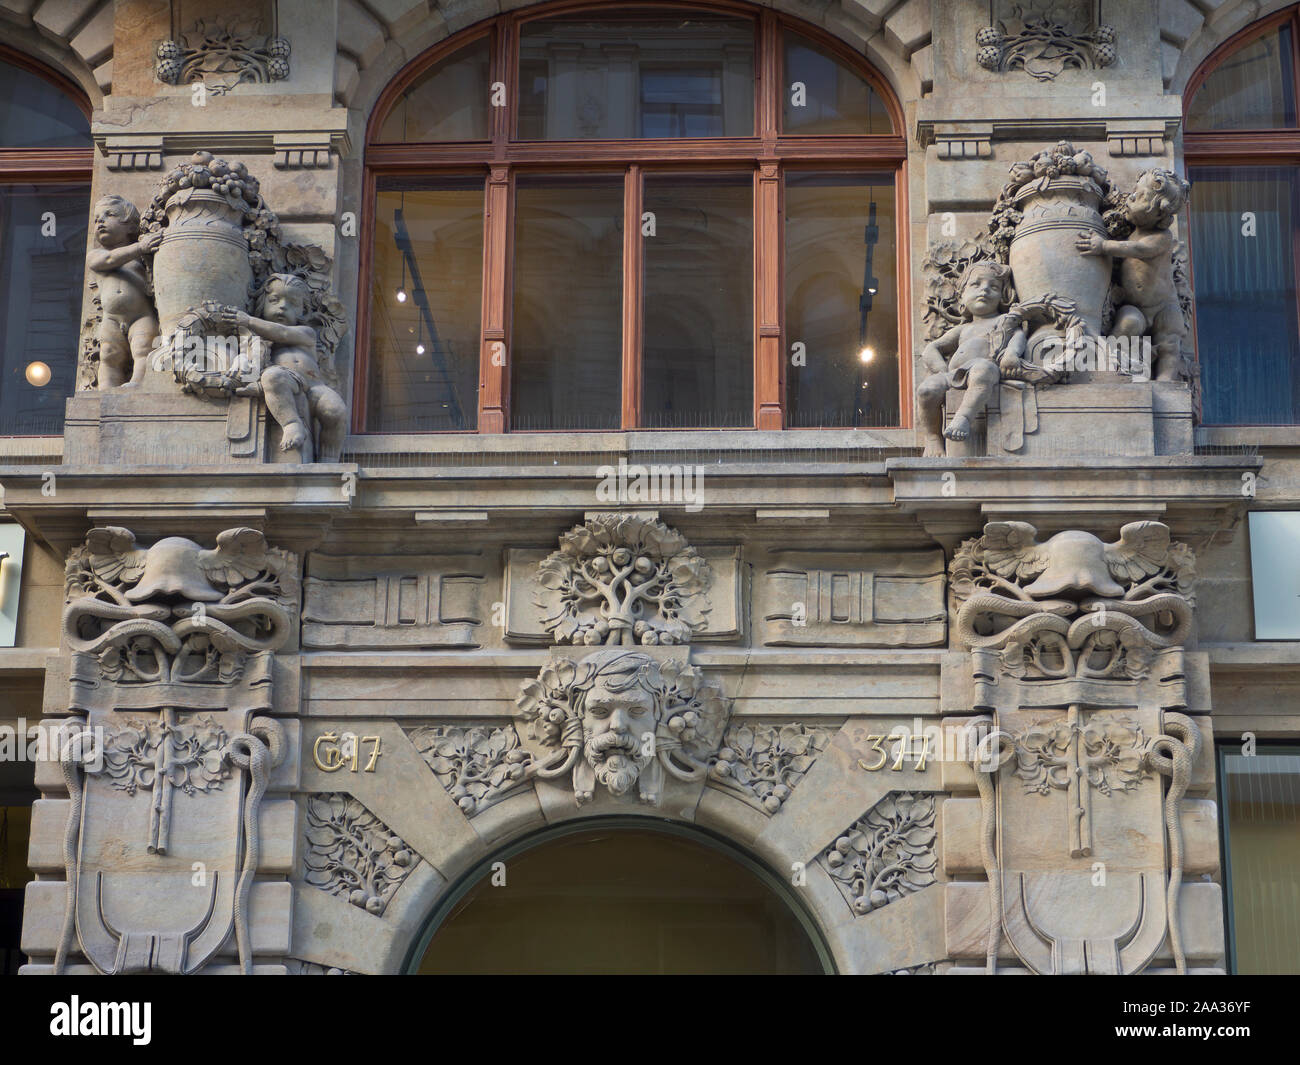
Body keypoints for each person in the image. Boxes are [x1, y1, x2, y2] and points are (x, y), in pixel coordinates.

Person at [1076, 168, 1191, 382]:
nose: (1131, 198)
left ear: (1160, 214)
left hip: (1164, 307)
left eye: (1139, 196)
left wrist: (1103, 246)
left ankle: (1165, 381)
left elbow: (1139, 250)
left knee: (1169, 344)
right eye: (1133, 192)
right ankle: (1108, 367)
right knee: (1127, 325)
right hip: (1136, 306)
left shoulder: (1161, 238)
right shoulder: (1132, 231)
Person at [219, 274, 347, 461]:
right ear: (263, 304)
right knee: (272, 377)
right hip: (287, 378)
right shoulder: (256, 339)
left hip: (314, 385)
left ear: (303, 311)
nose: (283, 306)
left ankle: (330, 459)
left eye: (292, 303)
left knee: (335, 410)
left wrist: (248, 320)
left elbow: (283, 333)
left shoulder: (307, 333)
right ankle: (291, 423)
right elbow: (251, 357)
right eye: (274, 300)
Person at [916, 261, 1026, 456]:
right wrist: (943, 372)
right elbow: (931, 348)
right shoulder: (962, 329)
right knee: (926, 390)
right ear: (962, 295)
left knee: (983, 370)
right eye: (976, 284)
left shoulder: (1003, 321)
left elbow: (1017, 337)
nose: (984, 290)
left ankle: (963, 418)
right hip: (954, 374)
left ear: (1003, 296)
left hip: (985, 368)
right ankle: (932, 438)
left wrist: (1011, 354)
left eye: (993, 287)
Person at [87, 196, 162, 389]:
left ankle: (138, 383)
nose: (100, 221)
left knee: (144, 348)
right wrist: (140, 247)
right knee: (108, 354)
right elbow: (109, 260)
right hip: (111, 318)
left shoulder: (142, 259)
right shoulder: (97, 254)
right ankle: (105, 389)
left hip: (141, 315)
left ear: (131, 227)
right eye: (96, 219)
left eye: (109, 215)